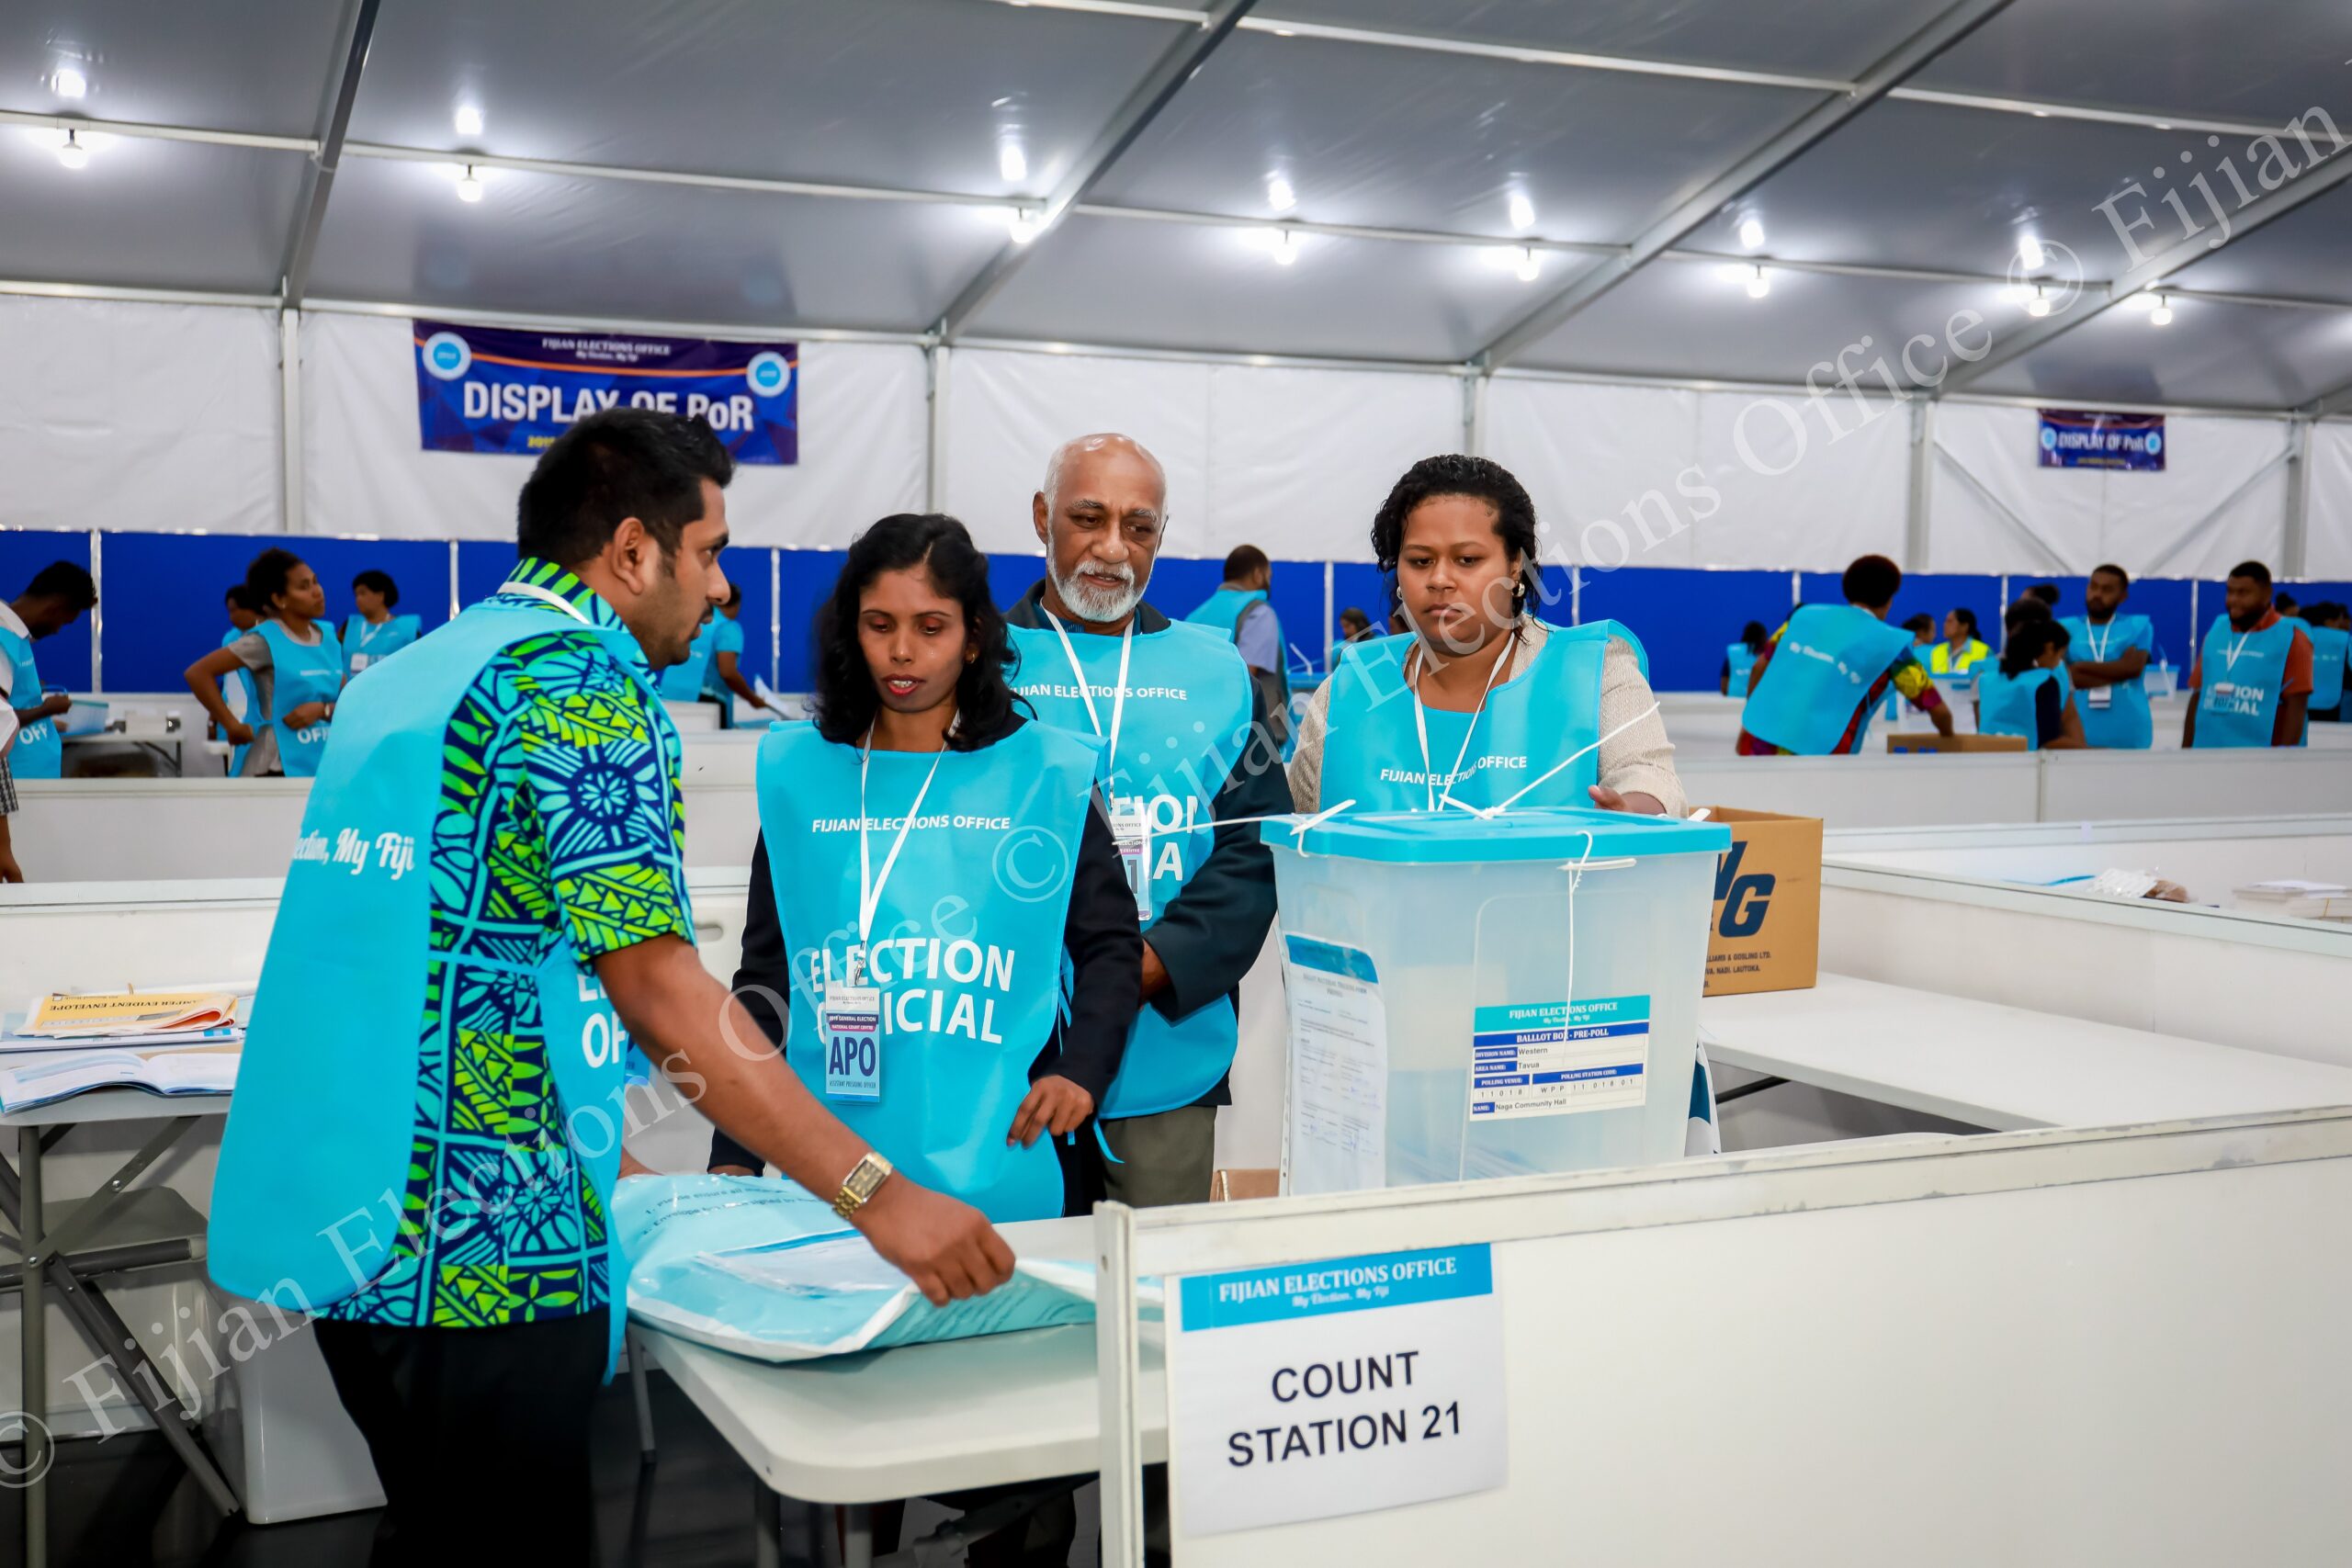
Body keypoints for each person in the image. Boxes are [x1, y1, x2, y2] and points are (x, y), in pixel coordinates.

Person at [208, 410, 1012, 1567]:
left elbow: (465, 954)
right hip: (489, 1257)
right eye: (712, 552)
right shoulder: (580, 683)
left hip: (352, 1235)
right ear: (635, 551)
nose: (721, 589)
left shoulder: (418, 672)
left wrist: (604, 1148)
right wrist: (877, 1196)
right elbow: (661, 991)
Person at [707, 507, 1140, 1222]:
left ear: (973, 637)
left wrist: (1082, 1069)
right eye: (879, 625)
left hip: (1005, 1168)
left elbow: (1110, 944)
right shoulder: (799, 774)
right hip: (830, 1174)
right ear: (852, 631)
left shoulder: (1047, 772)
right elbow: (767, 981)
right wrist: (734, 1149)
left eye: (931, 627)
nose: (902, 651)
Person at [1000, 433, 1289, 1210]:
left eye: (1138, 526)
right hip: (1005, 1046)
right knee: (1018, 1268)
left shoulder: (1218, 671)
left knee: (1156, 1274)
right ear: (1042, 517)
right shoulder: (977, 662)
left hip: (1165, 1046)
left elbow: (1254, 846)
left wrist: (1150, 964)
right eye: (1087, 518)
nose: (1111, 548)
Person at [1291, 454, 1684, 818]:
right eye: (1420, 561)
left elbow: (1650, 778)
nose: (1439, 579)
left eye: (1467, 560)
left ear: (1515, 565)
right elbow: (1291, 833)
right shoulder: (1348, 688)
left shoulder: (1596, 672)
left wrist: (1632, 814)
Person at [1738, 556, 1955, 754]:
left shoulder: (1802, 618)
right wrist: (1949, 738)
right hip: (1822, 755)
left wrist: (1751, 724)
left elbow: (1759, 668)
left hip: (1760, 743)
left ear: (1847, 589)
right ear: (1889, 600)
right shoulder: (1891, 645)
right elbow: (1936, 708)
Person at [183, 548, 345, 778]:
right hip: (275, 766)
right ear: (279, 599)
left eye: (316, 582)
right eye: (304, 586)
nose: (318, 591)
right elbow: (198, 673)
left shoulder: (328, 636)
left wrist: (323, 709)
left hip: (322, 759)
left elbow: (346, 693)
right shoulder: (264, 641)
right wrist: (232, 725)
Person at [2184, 560, 2312, 749]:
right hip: (2206, 753)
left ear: (2267, 594)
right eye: (2230, 591)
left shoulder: (2292, 638)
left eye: (2243, 593)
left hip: (2260, 757)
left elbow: (2297, 706)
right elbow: (2198, 695)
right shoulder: (2216, 631)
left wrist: (2285, 759)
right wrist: (2186, 751)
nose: (2233, 600)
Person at [0, 561, 96, 781]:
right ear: (54, 608)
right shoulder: (3, 636)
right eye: (63, 622)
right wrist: (45, 710)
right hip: (18, 784)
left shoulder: (16, 636)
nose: (57, 630)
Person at [1186, 544, 1290, 747]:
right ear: (1258, 574)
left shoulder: (1196, 615)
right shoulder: (1258, 612)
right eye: (1269, 576)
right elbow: (1246, 678)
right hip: (1247, 739)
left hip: (1201, 734)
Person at [2060, 563, 2154, 749]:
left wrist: (2078, 667)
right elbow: (2064, 677)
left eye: (2107, 589)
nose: (2097, 594)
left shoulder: (2138, 625)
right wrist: (2118, 669)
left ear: (2123, 596)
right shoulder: (2065, 628)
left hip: (2129, 732)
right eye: (2093, 586)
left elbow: (2132, 669)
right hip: (2077, 732)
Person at [1974, 620, 2086, 750]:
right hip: (2028, 759)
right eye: (2061, 655)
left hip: (1987, 755)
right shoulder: (2044, 681)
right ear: (2050, 648)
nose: (2059, 663)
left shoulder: (1986, 679)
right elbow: (2050, 741)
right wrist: (2092, 752)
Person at [697, 581, 777, 725]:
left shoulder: (697, 620)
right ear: (736, 605)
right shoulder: (728, 628)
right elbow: (727, 672)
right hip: (708, 703)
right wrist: (752, 699)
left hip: (674, 698)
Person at [218, 584, 266, 775]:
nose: (231, 617)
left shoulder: (269, 637)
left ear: (251, 608)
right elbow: (227, 683)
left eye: (234, 610)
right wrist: (216, 720)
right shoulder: (231, 638)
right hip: (235, 717)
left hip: (261, 719)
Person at [342, 569, 422, 681]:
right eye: (356, 595)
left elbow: (416, 665)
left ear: (380, 595)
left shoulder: (407, 629)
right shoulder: (349, 626)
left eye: (363, 593)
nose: (358, 599)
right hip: (352, 690)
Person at [2301, 602, 2349, 725]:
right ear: (2329, 621)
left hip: (2299, 703)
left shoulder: (2299, 636)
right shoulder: (2346, 638)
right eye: (2338, 621)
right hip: (2338, 709)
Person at [1927, 607, 1990, 678]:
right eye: (1945, 621)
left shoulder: (1983, 651)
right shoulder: (1937, 651)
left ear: (1964, 626)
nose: (1945, 625)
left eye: (1950, 621)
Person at [1720, 620, 1769, 697]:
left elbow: (1724, 687)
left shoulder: (1733, 653)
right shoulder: (1767, 656)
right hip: (1758, 699)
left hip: (1732, 700)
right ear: (1764, 637)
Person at [1329, 604, 1374, 671]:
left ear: (1360, 624)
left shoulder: (1375, 642)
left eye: (1347, 626)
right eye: (1343, 627)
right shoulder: (1341, 647)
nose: (1344, 630)